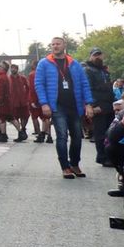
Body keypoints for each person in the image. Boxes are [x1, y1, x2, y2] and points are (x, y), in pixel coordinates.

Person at [35, 36, 96, 179]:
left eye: (58, 44)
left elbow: (84, 84)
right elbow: (39, 84)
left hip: (74, 105)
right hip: (57, 106)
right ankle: (65, 167)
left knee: (77, 137)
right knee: (62, 136)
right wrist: (44, 103)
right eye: (53, 44)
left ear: (64, 45)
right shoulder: (44, 63)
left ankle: (74, 163)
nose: (55, 46)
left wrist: (88, 103)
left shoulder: (74, 64)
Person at [84, 48, 114, 167]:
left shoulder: (104, 71)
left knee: (109, 133)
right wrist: (93, 105)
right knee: (100, 133)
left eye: (99, 55)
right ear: (91, 57)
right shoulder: (88, 70)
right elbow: (88, 89)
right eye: (95, 55)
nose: (98, 57)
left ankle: (109, 156)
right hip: (98, 106)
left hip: (108, 105)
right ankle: (102, 157)